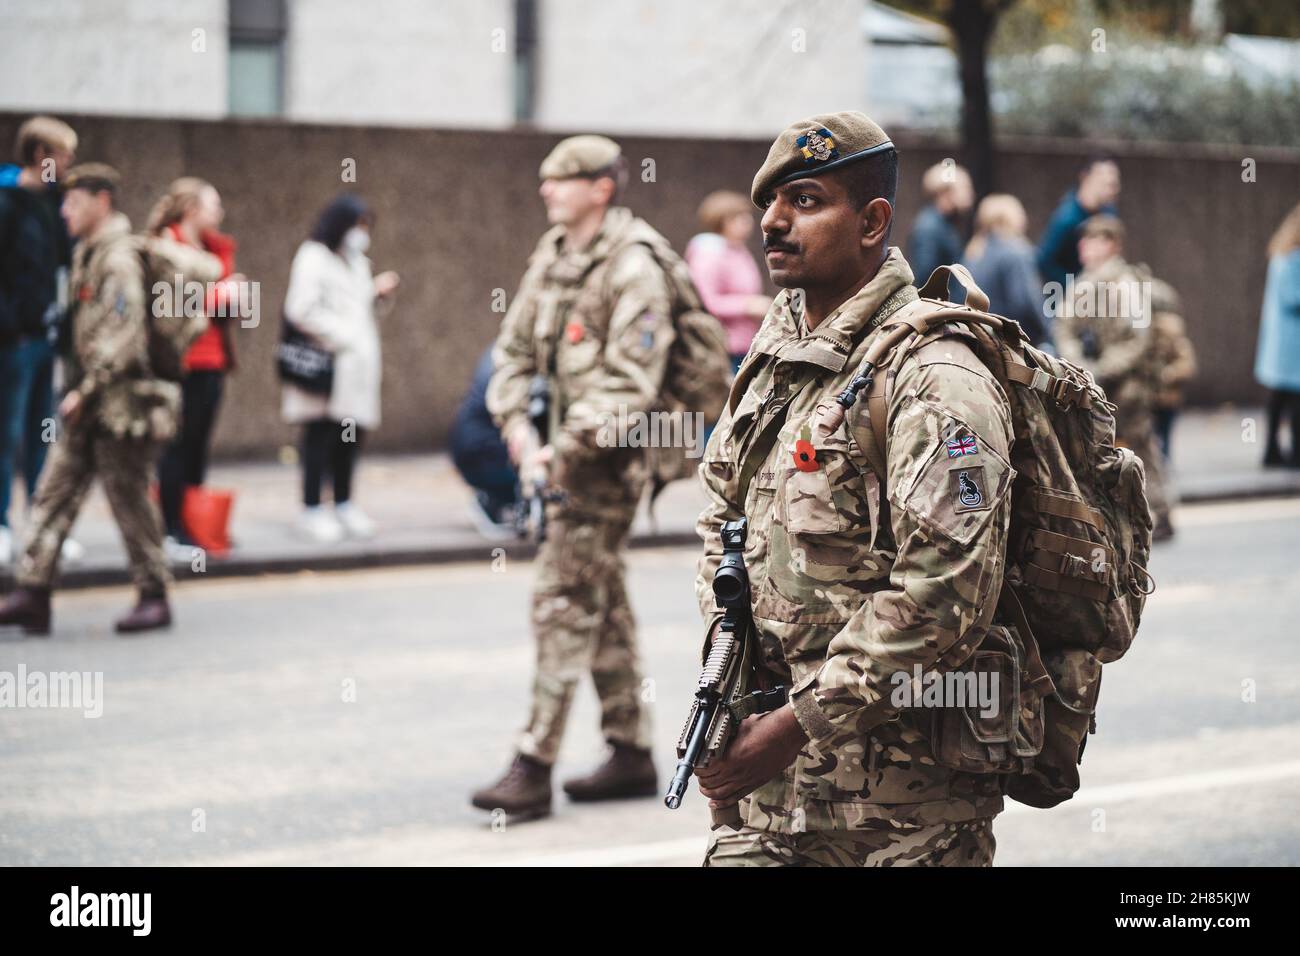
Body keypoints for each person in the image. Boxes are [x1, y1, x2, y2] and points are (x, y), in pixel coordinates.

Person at [694, 111, 1012, 866]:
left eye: (804, 200)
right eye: (769, 202)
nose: (772, 221)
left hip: (898, 816)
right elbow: (722, 514)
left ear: (872, 222)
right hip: (767, 802)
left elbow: (946, 594)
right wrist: (726, 672)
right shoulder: (777, 353)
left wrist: (795, 723)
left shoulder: (936, 376)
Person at [472, 135, 675, 819]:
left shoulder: (635, 267)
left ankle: (533, 765)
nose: (547, 189)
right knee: (601, 599)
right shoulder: (554, 257)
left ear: (602, 188)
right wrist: (518, 429)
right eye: (546, 179)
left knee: (561, 598)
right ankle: (632, 751)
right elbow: (513, 351)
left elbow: (630, 383)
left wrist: (557, 447)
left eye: (562, 179)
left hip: (607, 466)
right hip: (555, 458)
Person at [0, 164, 178, 635]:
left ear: (102, 202)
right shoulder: (89, 254)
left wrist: (87, 387)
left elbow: (124, 337)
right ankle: (32, 592)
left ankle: (154, 594)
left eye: (74, 202)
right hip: (89, 403)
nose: (64, 211)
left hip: (119, 407)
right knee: (52, 495)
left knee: (130, 502)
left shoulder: (117, 259)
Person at [280, 195, 398, 543]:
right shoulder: (313, 258)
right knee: (320, 437)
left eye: (366, 226)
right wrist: (344, 337)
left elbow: (359, 310)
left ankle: (344, 503)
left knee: (350, 437)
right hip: (325, 367)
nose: (362, 233)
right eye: (357, 225)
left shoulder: (357, 262)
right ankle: (312, 507)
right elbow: (301, 310)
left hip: (355, 369)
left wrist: (376, 295)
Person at [1055, 215, 1173, 539]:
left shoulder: (1125, 285)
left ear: (1111, 245)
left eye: (1092, 240)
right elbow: (1065, 329)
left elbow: (1139, 339)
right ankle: (1131, 517)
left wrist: (1098, 369)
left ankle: (1156, 515)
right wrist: (1081, 365)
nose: (1083, 247)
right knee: (1111, 452)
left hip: (1128, 386)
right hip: (1098, 382)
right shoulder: (1084, 284)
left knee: (1139, 448)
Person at [147, 177, 244, 557]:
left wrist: (235, 300)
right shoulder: (165, 249)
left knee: (198, 447)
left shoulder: (213, 250)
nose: (219, 212)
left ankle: (193, 525)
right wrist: (221, 294)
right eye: (212, 204)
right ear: (191, 209)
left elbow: (222, 311)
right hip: (180, 363)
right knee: (176, 446)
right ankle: (168, 530)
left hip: (213, 361)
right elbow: (167, 309)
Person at [0, 116, 79, 567]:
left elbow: (62, 270)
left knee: (41, 435)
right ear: (39, 156)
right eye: (62, 156)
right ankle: (3, 524)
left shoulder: (53, 206)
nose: (68, 166)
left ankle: (40, 524)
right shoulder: (7, 203)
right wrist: (11, 326)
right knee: (6, 433)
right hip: (13, 342)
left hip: (46, 340)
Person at [685, 190, 768, 370]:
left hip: (743, 345)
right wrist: (748, 305)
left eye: (747, 216)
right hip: (721, 348)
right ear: (722, 221)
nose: (748, 222)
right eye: (740, 217)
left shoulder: (739, 250)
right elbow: (704, 300)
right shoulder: (709, 253)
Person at [963, 193, 1052, 348]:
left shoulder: (973, 252)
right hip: (1010, 343)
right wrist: (1049, 333)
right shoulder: (1017, 252)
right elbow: (1026, 303)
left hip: (979, 338)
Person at [450, 346, 520, 540]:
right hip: (481, 452)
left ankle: (500, 499)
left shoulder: (501, 349)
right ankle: (491, 500)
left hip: (471, 445)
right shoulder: (510, 356)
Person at [1255, 201, 1300, 468]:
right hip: (1290, 343)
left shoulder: (1282, 255)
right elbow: (1293, 298)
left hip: (1284, 342)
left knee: (1280, 398)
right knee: (1291, 399)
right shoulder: (1291, 259)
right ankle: (1290, 452)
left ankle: (1274, 450)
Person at [1036, 155, 1120, 297]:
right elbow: (1044, 260)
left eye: (1113, 184)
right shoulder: (1067, 218)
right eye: (1103, 183)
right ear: (1085, 178)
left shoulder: (1108, 212)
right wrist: (1075, 286)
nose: (1111, 189)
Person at [1148, 276, 1196, 461]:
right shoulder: (1138, 332)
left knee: (1164, 438)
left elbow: (1187, 363)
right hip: (1148, 398)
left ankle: (1163, 466)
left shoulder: (1171, 331)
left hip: (1168, 398)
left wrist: (1169, 374)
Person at [905, 160, 973, 289]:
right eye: (965, 188)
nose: (971, 194)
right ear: (946, 192)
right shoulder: (929, 228)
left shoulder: (944, 224)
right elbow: (925, 279)